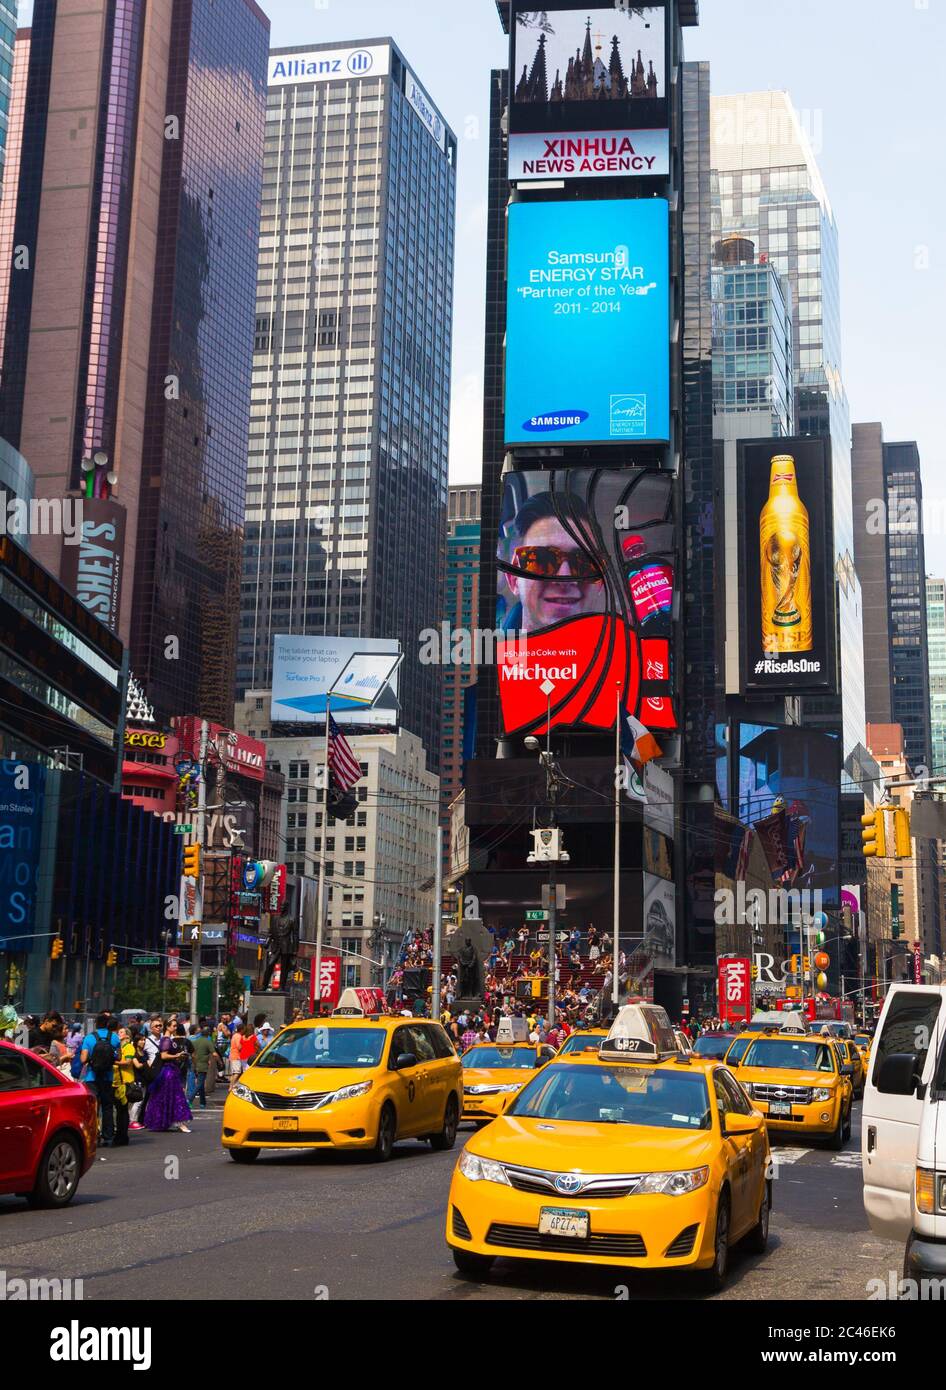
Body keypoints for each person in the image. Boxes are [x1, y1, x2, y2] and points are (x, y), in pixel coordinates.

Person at [80, 1012, 121, 1146]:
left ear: (96, 1024)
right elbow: (119, 1057)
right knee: (107, 1107)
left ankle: (93, 1135)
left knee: (93, 1108)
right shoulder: (114, 1038)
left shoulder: (89, 1038)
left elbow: (83, 1059)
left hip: (92, 1077)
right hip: (108, 1077)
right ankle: (108, 1136)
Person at [143, 1026, 192, 1133]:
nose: (175, 1027)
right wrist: (177, 1055)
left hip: (170, 1070)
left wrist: (178, 1056)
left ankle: (165, 1122)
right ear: (168, 1027)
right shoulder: (166, 1039)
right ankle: (179, 1123)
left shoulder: (168, 1039)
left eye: (159, 1025)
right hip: (168, 1072)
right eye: (173, 1025)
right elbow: (164, 1056)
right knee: (175, 1096)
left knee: (166, 1097)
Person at [188, 1023, 215, 1108]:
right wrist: (220, 1062)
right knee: (199, 1084)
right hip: (203, 1066)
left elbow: (192, 1053)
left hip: (194, 1064)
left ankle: (202, 1103)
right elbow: (214, 1053)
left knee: (201, 1083)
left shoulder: (195, 1042)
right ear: (208, 1033)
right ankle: (190, 1099)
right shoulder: (207, 1041)